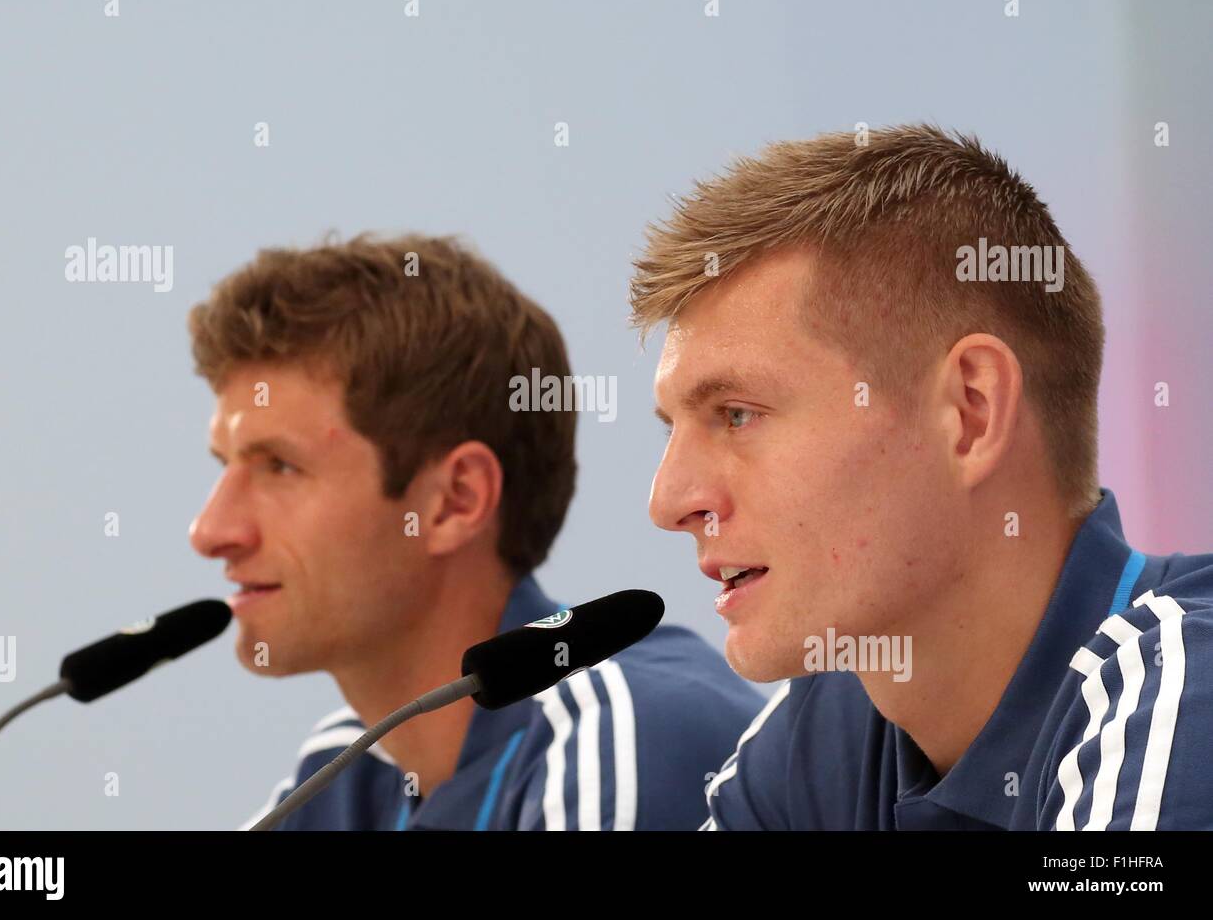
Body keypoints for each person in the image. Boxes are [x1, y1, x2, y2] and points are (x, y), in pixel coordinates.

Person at [630, 124, 1213, 830]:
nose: (669, 503)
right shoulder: (823, 738)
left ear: (970, 411)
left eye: (738, 414)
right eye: (673, 429)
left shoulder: (1182, 689)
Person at [186, 233, 763, 830]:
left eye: (280, 466)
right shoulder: (344, 770)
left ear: (454, 501)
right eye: (223, 466)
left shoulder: (622, 735)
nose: (210, 531)